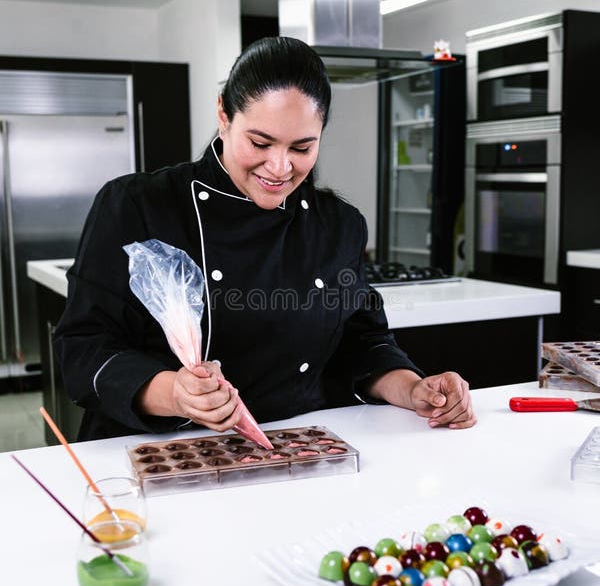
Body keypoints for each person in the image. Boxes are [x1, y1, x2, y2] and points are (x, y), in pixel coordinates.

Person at [55, 36, 476, 441]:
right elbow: (83, 349)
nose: (279, 167)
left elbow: (362, 342)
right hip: (161, 454)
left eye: (302, 148)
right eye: (260, 142)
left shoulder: (338, 224)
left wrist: (416, 389)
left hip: (300, 446)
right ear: (224, 114)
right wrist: (174, 393)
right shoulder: (137, 205)